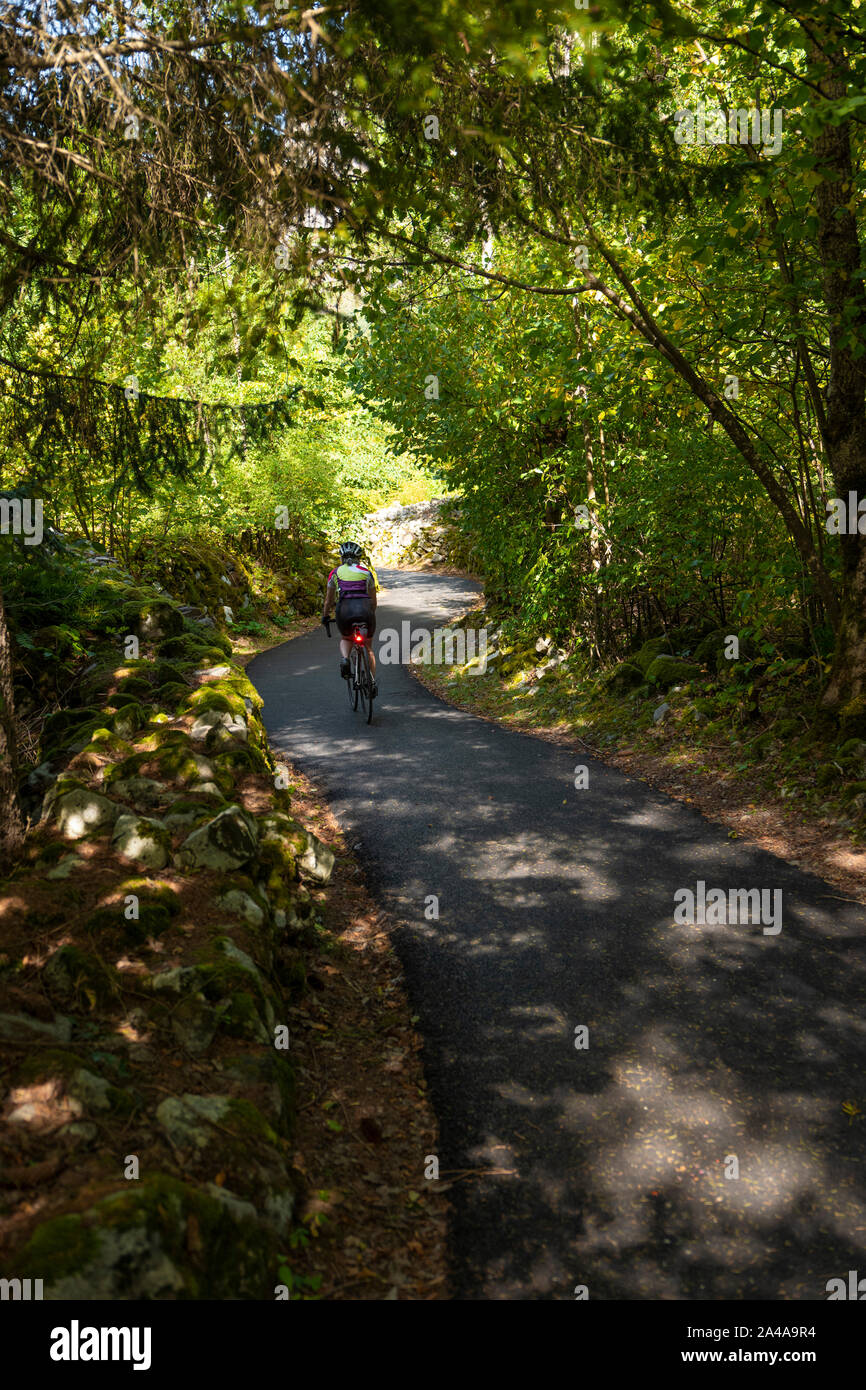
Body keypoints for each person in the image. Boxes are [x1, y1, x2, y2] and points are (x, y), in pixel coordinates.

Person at [322, 541, 378, 695]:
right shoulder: (366, 573)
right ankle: (372, 682)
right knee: (368, 648)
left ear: (341, 557)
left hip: (345, 611)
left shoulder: (335, 573)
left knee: (346, 638)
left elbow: (328, 600)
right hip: (365, 610)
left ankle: (345, 658)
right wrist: (370, 614)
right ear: (359, 558)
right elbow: (374, 601)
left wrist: (325, 616)